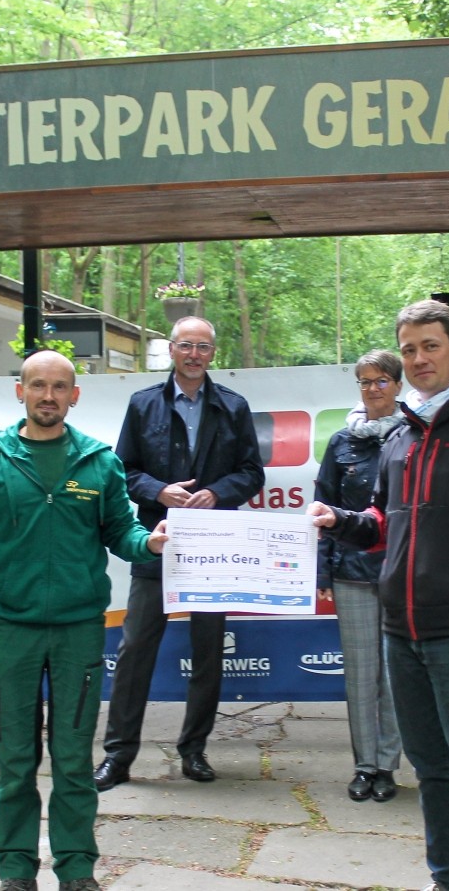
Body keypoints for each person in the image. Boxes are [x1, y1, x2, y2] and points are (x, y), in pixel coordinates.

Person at [309, 300, 449, 891]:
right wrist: (339, 521)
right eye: (409, 349)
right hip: (402, 634)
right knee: (433, 773)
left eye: (430, 346)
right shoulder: (401, 437)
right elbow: (384, 524)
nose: (419, 359)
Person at [0, 351, 167, 891]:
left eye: (59, 387)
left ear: (75, 395)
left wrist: (149, 543)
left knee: (72, 760)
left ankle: (77, 869)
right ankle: (15, 870)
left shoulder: (98, 462)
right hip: (11, 630)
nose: (49, 396)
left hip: (77, 631)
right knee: (16, 761)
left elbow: (121, 532)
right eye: (38, 385)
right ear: (19, 391)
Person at [94, 316, 265, 790]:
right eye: (186, 345)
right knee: (135, 651)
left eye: (203, 347)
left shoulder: (233, 406)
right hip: (157, 539)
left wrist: (217, 492)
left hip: (215, 546)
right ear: (171, 350)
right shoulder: (143, 403)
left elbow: (252, 473)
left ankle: (194, 750)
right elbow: (122, 470)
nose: (194, 355)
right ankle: (118, 756)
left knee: (208, 653)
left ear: (213, 354)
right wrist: (158, 491)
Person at [314, 350, 404, 804]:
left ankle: (387, 766)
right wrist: (322, 570)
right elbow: (323, 508)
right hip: (350, 572)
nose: (373, 389)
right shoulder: (340, 443)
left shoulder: (412, 435)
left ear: (398, 386)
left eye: (382, 380)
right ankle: (364, 765)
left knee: (393, 675)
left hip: (400, 572)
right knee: (360, 674)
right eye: (365, 381)